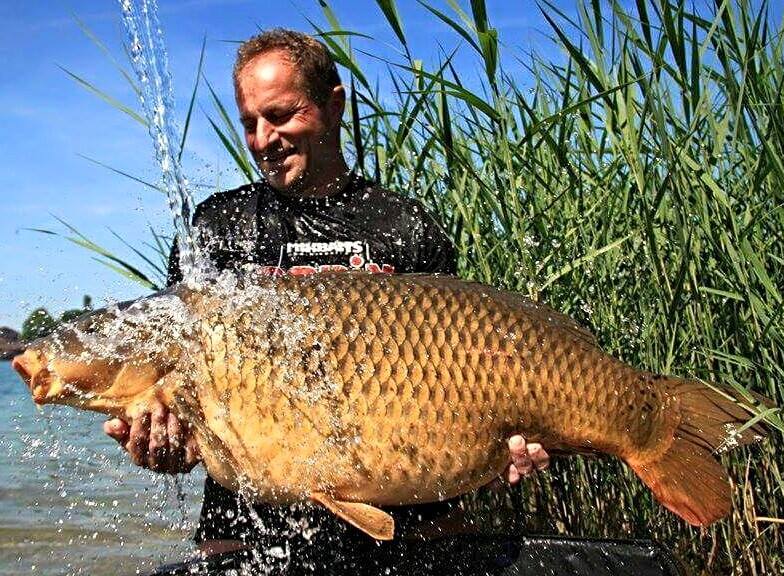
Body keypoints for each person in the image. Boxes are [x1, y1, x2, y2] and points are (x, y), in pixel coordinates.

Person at [103, 28, 549, 568]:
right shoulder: (217, 228)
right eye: (250, 123)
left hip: (411, 534)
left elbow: (457, 375)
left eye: (282, 115)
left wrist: (512, 445)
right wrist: (165, 448)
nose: (265, 139)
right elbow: (190, 408)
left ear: (333, 106)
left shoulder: (406, 226)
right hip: (248, 538)